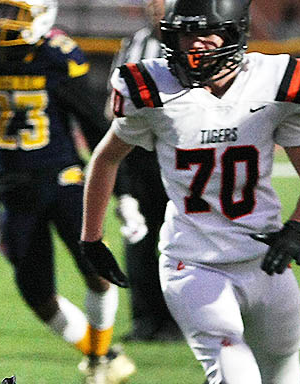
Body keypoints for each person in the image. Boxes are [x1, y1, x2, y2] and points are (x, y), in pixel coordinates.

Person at [81, 0, 300, 384]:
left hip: (263, 261)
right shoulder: (151, 88)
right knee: (236, 381)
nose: (194, 48)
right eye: (184, 35)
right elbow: (105, 159)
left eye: (206, 35)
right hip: (192, 261)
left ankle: (230, 382)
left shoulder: (274, 83)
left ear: (234, 33)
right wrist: (91, 238)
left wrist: (297, 227)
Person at [0, 0, 135, 384]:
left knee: (95, 269)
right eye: (1, 9)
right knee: (36, 293)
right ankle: (105, 355)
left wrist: (123, 191)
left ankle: (97, 364)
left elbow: (96, 127)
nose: (3, 20)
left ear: (40, 16)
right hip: (13, 189)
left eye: (15, 12)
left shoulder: (57, 58)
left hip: (62, 179)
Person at [108, 0, 181, 343]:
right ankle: (144, 320)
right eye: (152, 0)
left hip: (181, 156)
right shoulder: (133, 44)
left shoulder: (193, 43)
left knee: (181, 241)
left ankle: (179, 320)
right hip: (138, 156)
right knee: (138, 237)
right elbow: (113, 102)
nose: (156, 7)